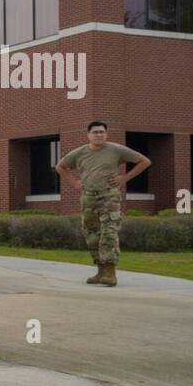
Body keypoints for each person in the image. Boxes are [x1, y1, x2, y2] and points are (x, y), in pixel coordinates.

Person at [55, 120, 150, 286]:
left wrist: (124, 178)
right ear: (88, 135)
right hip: (88, 197)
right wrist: (75, 183)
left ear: (106, 134)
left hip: (109, 197)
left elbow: (144, 161)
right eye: (95, 132)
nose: (99, 135)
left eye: (102, 132)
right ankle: (100, 271)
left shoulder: (116, 150)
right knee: (92, 234)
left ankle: (110, 273)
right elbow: (60, 167)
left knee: (109, 232)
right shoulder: (79, 153)